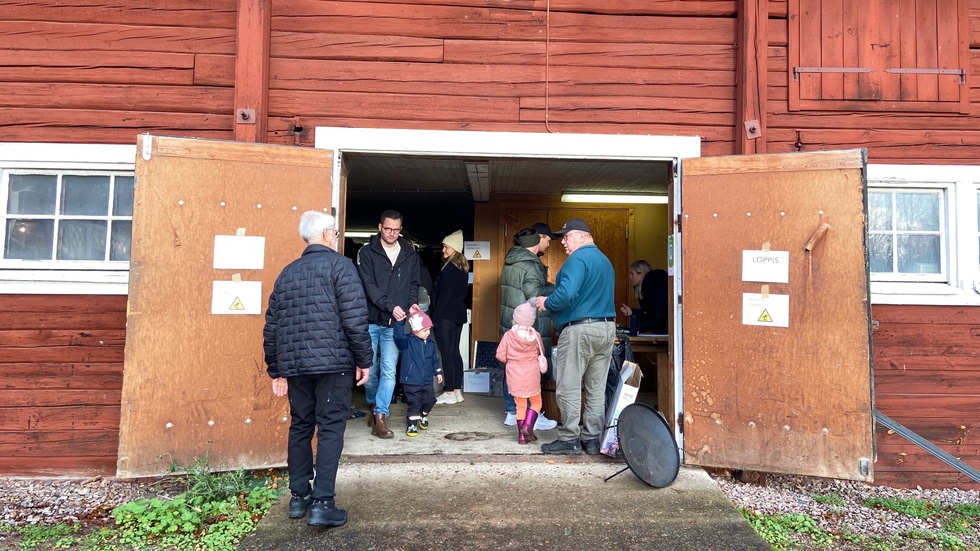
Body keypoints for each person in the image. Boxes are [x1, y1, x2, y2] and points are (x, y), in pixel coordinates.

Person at [263, 210, 372, 527]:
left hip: (296, 367)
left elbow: (272, 327)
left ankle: (298, 498)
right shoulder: (341, 267)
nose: (336, 238)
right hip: (333, 365)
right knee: (330, 428)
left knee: (300, 427)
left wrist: (276, 369)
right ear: (326, 234)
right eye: (336, 233)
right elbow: (355, 320)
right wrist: (364, 360)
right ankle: (323, 503)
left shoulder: (287, 274)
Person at [534, 218, 617, 455]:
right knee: (595, 388)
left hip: (580, 330)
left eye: (567, 236)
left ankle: (569, 438)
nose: (563, 242)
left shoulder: (577, 259)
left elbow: (565, 295)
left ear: (582, 236)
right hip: (606, 328)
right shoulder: (605, 261)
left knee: (569, 386)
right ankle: (591, 439)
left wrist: (545, 302)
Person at [356, 210, 421, 439]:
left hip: (396, 321)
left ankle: (381, 416)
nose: (392, 233)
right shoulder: (366, 252)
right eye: (388, 229)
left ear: (400, 229)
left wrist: (412, 304)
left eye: (396, 229)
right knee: (370, 371)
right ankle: (374, 404)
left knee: (389, 370)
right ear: (380, 227)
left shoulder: (409, 253)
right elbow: (369, 286)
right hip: (371, 319)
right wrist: (389, 304)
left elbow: (414, 283)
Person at [499, 228, 558, 431]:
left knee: (512, 368)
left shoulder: (513, 259)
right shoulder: (530, 264)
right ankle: (531, 415)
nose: (549, 244)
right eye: (547, 240)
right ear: (537, 240)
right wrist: (557, 288)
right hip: (527, 325)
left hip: (511, 321)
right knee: (530, 371)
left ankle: (511, 411)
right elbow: (534, 293)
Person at [495, 302, 548, 444]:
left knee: (520, 405)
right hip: (531, 373)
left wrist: (511, 361)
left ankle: (522, 437)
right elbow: (541, 350)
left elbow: (500, 355)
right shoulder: (536, 335)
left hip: (514, 374)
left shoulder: (508, 335)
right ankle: (528, 425)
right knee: (536, 402)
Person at [393, 305, 444, 437]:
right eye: (424, 330)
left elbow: (434, 359)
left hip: (426, 380)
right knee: (413, 404)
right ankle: (411, 425)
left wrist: (438, 372)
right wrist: (399, 322)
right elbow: (398, 337)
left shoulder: (430, 344)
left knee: (430, 400)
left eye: (428, 330)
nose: (427, 333)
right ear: (415, 330)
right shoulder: (407, 343)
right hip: (411, 381)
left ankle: (423, 414)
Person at [432, 230, 470, 405]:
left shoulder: (449, 270)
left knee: (447, 353)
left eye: (446, 247)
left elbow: (443, 296)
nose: (443, 250)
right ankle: (456, 390)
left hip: (446, 316)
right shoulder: (462, 268)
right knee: (455, 352)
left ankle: (448, 392)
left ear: (454, 249)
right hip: (457, 315)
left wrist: (435, 317)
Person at [619, 260, 669, 334]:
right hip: (661, 331)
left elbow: (658, 317)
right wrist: (632, 312)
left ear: (641, 274)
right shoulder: (646, 288)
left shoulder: (656, 287)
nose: (630, 277)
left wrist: (638, 327)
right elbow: (649, 312)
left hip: (664, 332)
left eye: (632, 274)